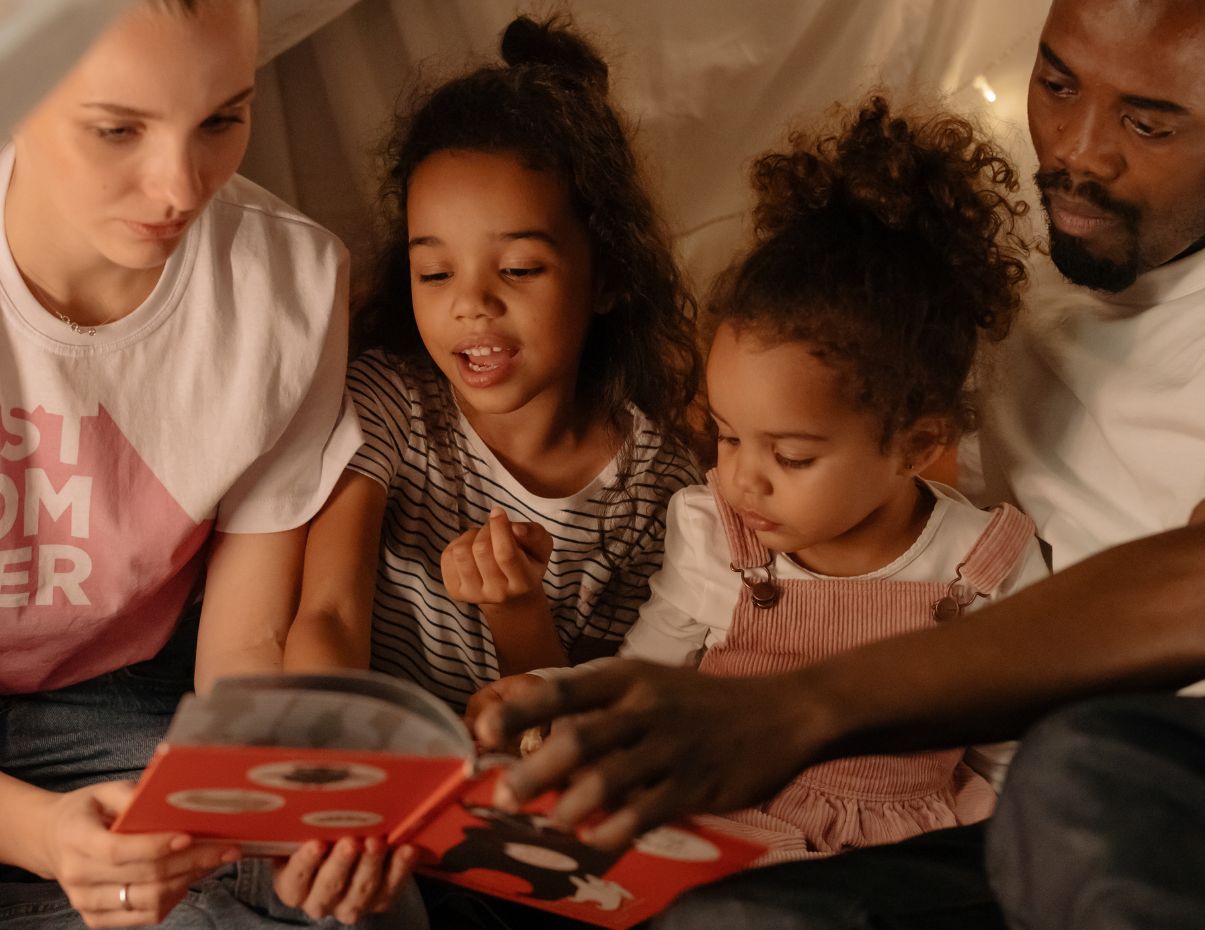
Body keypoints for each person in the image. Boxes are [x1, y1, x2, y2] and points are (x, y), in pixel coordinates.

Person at [474, 0, 1205, 926]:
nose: (1077, 151)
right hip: (1017, 752)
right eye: (1055, 82)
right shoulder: (1009, 249)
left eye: (1147, 123)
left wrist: (800, 708)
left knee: (1085, 771)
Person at [473, 94, 1049, 863]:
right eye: (726, 434)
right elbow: (644, 676)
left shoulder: (986, 567)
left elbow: (1013, 759)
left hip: (894, 859)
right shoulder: (715, 534)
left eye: (792, 456)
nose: (741, 478)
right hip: (719, 825)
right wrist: (552, 691)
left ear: (916, 445)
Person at [0, 1, 422, 927]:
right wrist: (40, 834)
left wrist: (291, 802)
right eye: (118, 130)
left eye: (222, 119)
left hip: (122, 701)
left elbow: (241, 650)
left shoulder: (290, 285)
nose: (179, 189)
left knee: (346, 903)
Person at [281, 15, 701, 712]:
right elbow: (328, 616)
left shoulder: (654, 488)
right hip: (375, 746)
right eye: (435, 273)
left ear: (605, 277)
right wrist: (340, 749)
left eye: (519, 268)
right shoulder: (386, 401)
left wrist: (516, 610)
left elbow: (582, 715)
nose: (471, 304)